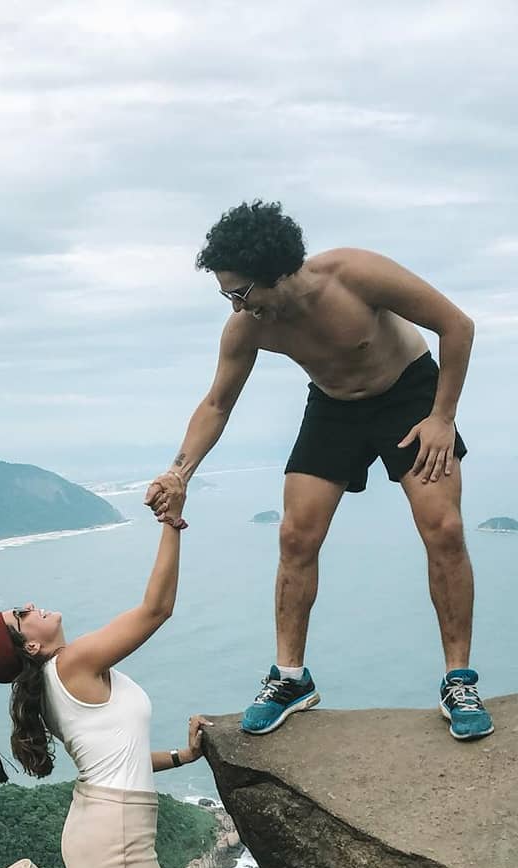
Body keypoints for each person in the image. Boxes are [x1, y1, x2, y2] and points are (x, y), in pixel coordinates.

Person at [146, 200, 493, 741]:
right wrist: (179, 472)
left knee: (443, 529)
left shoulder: (355, 275)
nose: (237, 306)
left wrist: (442, 417)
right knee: (295, 536)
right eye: (227, 296)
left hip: (409, 395)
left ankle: (458, 680)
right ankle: (290, 678)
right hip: (333, 407)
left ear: (277, 271)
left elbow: (457, 326)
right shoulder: (247, 327)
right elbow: (216, 404)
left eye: (241, 292)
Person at [0, 475, 211, 868]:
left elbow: (114, 757)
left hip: (101, 827)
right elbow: (155, 609)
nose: (30, 605)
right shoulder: (71, 665)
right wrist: (172, 521)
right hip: (114, 835)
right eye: (20, 615)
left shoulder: (51, 687)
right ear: (30, 643)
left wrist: (183, 757)